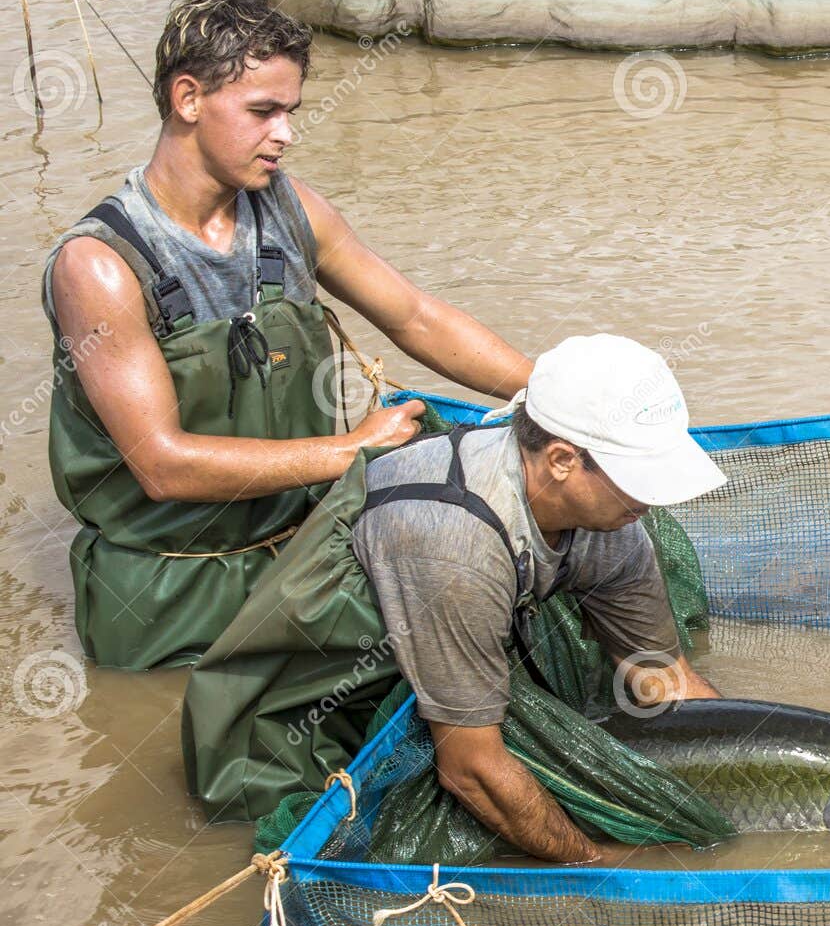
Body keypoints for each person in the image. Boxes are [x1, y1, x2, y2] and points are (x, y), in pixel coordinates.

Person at [43, 0, 530, 670]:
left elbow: (415, 317)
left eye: (290, 112)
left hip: (300, 560)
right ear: (188, 99)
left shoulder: (292, 209)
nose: (286, 134)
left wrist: (554, 388)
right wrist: (350, 450)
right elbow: (162, 464)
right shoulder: (99, 265)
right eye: (263, 111)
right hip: (167, 599)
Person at [181, 334, 726, 863]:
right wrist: (598, 864)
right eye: (640, 476)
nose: (652, 497)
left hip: (447, 631)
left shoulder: (612, 522)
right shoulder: (456, 549)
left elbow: (662, 677)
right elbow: (470, 770)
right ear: (562, 460)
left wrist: (739, 772)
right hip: (299, 726)